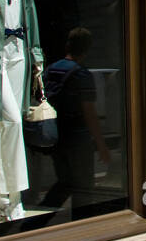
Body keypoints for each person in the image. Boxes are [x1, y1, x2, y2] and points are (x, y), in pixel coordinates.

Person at [38, 27, 111, 218]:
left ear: (67, 45)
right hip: (78, 138)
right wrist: (101, 145)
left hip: (56, 134)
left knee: (65, 181)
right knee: (84, 187)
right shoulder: (82, 75)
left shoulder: (51, 70)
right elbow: (90, 113)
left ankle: (39, 216)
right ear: (87, 50)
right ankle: (81, 223)